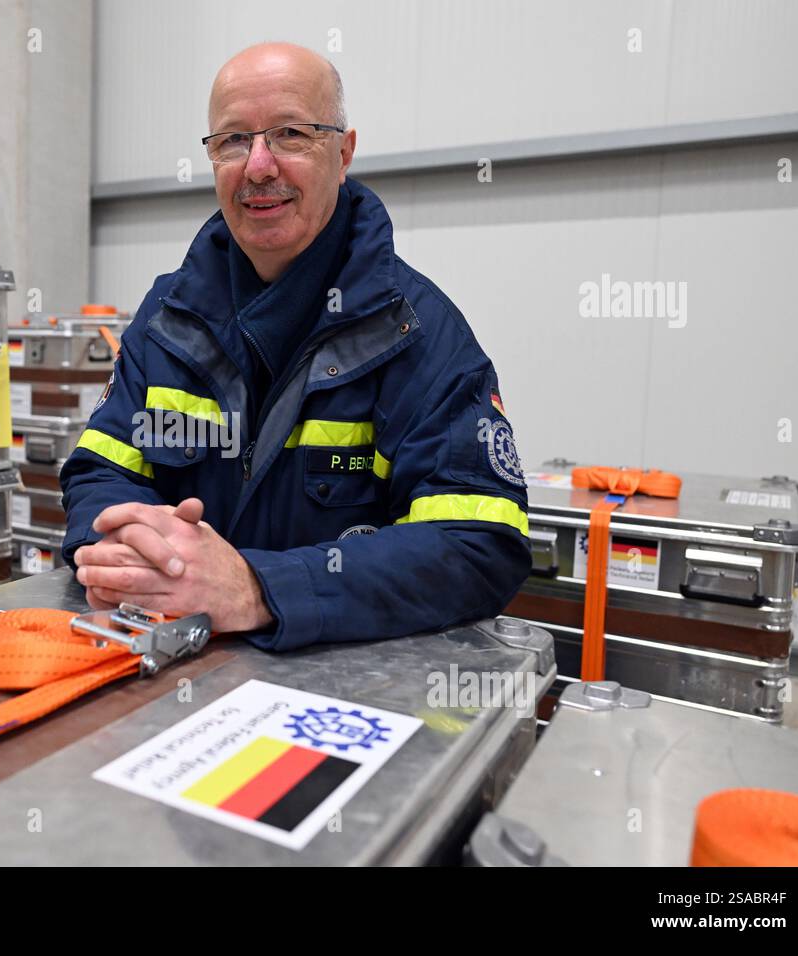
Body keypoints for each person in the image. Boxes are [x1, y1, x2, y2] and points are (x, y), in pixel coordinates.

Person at [59, 42, 530, 651]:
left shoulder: (417, 331)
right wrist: (126, 553)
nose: (258, 166)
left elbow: (476, 545)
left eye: (290, 134)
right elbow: (100, 470)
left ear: (344, 153)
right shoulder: (167, 318)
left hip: (341, 687)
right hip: (172, 667)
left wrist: (260, 589)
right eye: (233, 140)